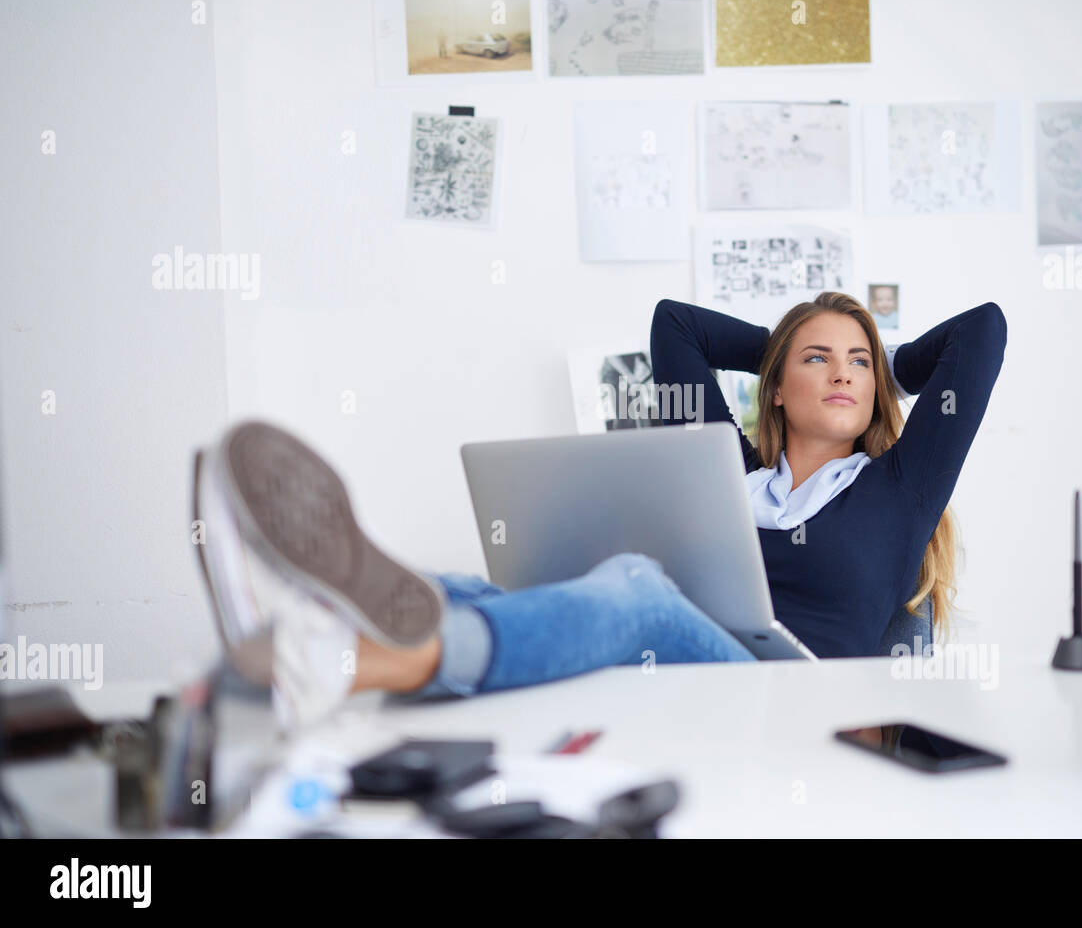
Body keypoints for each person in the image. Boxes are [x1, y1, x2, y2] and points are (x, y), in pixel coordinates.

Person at [192, 292, 1006, 730]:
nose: (842, 372)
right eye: (817, 359)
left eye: (857, 363)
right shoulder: (728, 470)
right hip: (691, 667)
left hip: (793, 699)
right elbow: (673, 325)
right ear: (776, 388)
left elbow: (983, 332)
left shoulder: (900, 486)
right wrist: (784, 340)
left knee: (637, 587)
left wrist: (888, 357)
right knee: (480, 591)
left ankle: (357, 665)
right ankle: (280, 646)